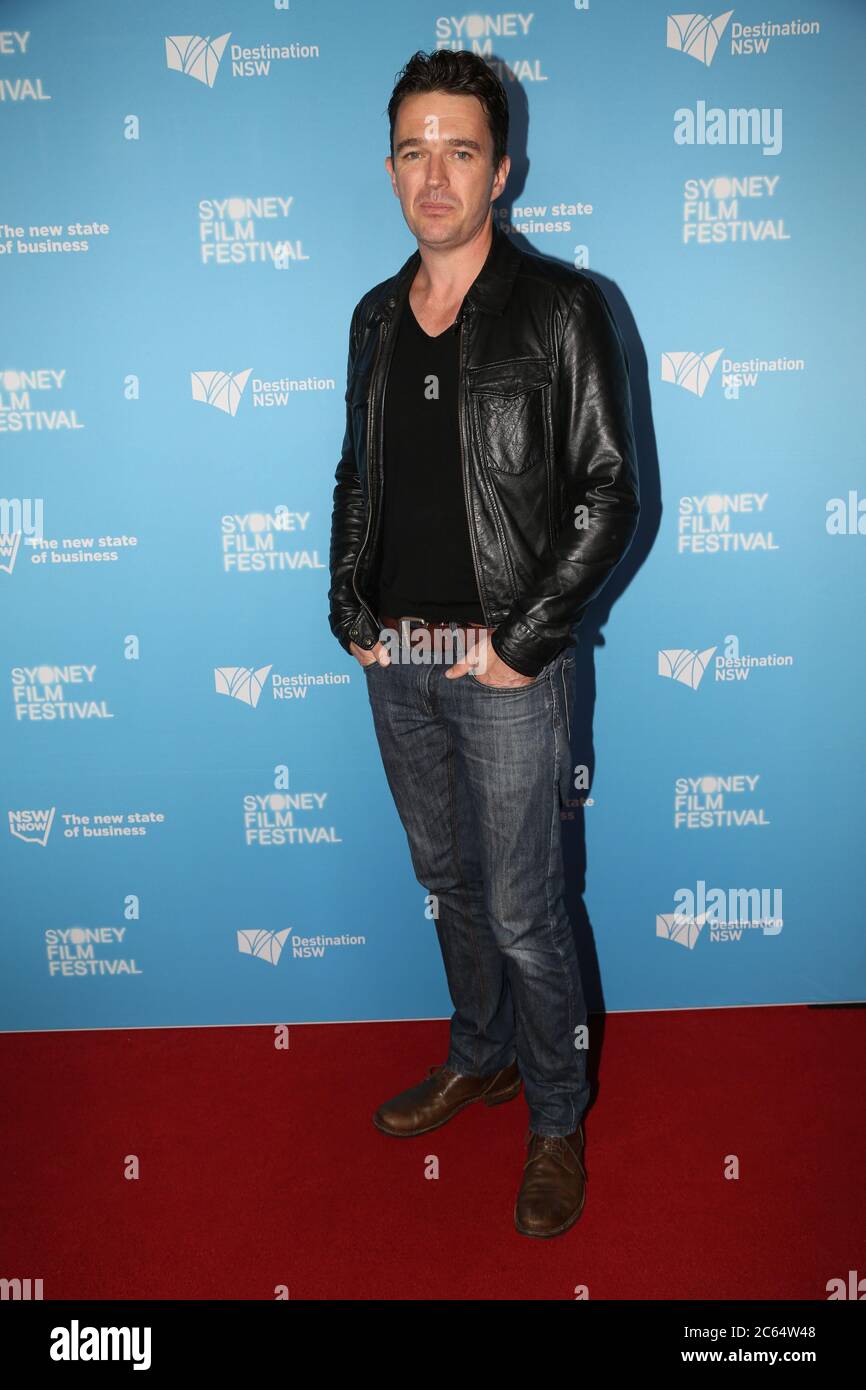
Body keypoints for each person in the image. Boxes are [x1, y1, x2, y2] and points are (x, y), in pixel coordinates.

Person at [328, 48, 640, 1238]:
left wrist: (520, 642)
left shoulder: (560, 308)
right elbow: (358, 475)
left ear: (500, 168)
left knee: (522, 911)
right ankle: (483, 1055)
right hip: (395, 657)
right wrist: (348, 610)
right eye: (413, 149)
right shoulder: (370, 315)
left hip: (504, 664)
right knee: (446, 885)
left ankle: (555, 1115)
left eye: (459, 148)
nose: (434, 172)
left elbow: (608, 494)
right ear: (392, 168)